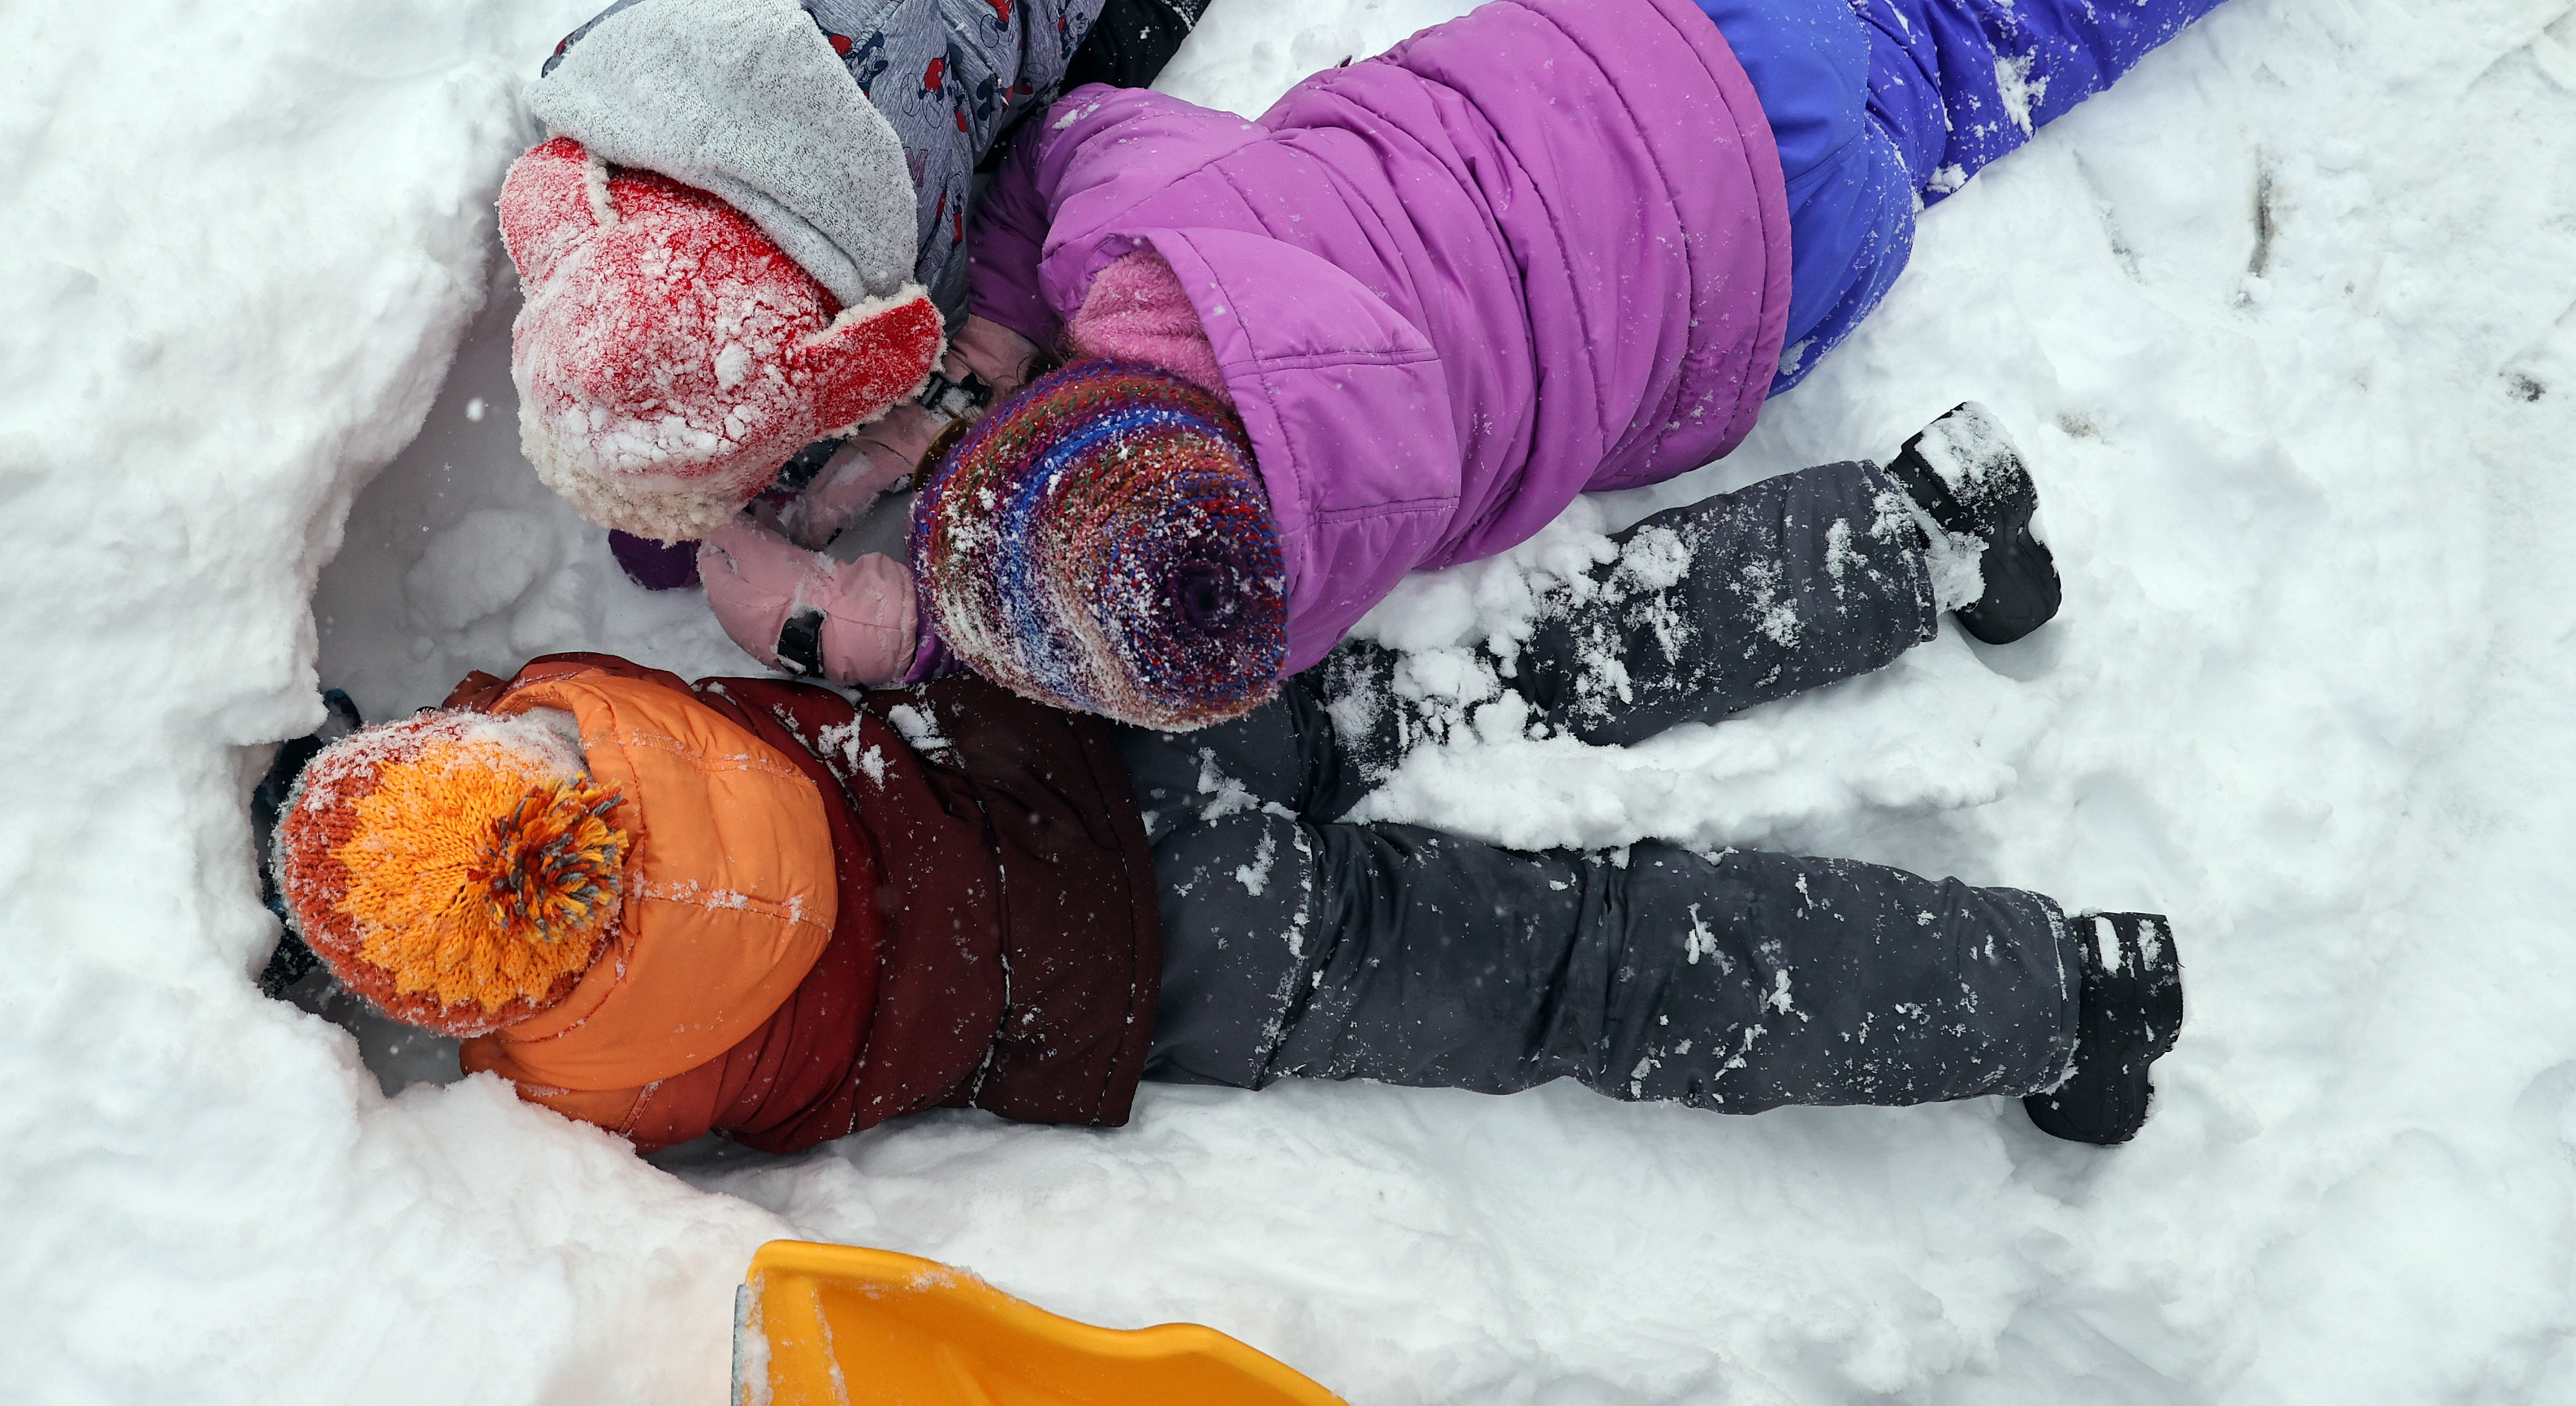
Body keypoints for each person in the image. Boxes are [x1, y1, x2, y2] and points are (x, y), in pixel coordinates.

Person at [691, 0, 2362, 729]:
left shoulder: (1296, 585)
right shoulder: (1161, 242)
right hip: (1679, 48)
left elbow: (1128, 604)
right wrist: (1000, 312)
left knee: (1945, 52)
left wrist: (899, 620)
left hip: (1772, 282)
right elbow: (1084, 131)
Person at [248, 463, 2182, 1153]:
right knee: (1506, 662)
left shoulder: (589, 1080)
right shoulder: (595, 718)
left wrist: (378, 958)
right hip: (1104, 744)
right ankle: (1914, 528)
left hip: (1188, 964)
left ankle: (2066, 998)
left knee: (1589, 966)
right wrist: (350, 775)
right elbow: (507, 725)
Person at [500, 0, 1263, 552]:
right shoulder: (593, 86)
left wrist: (787, 457)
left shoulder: (899, 254)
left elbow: (919, 341)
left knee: (1086, 78)